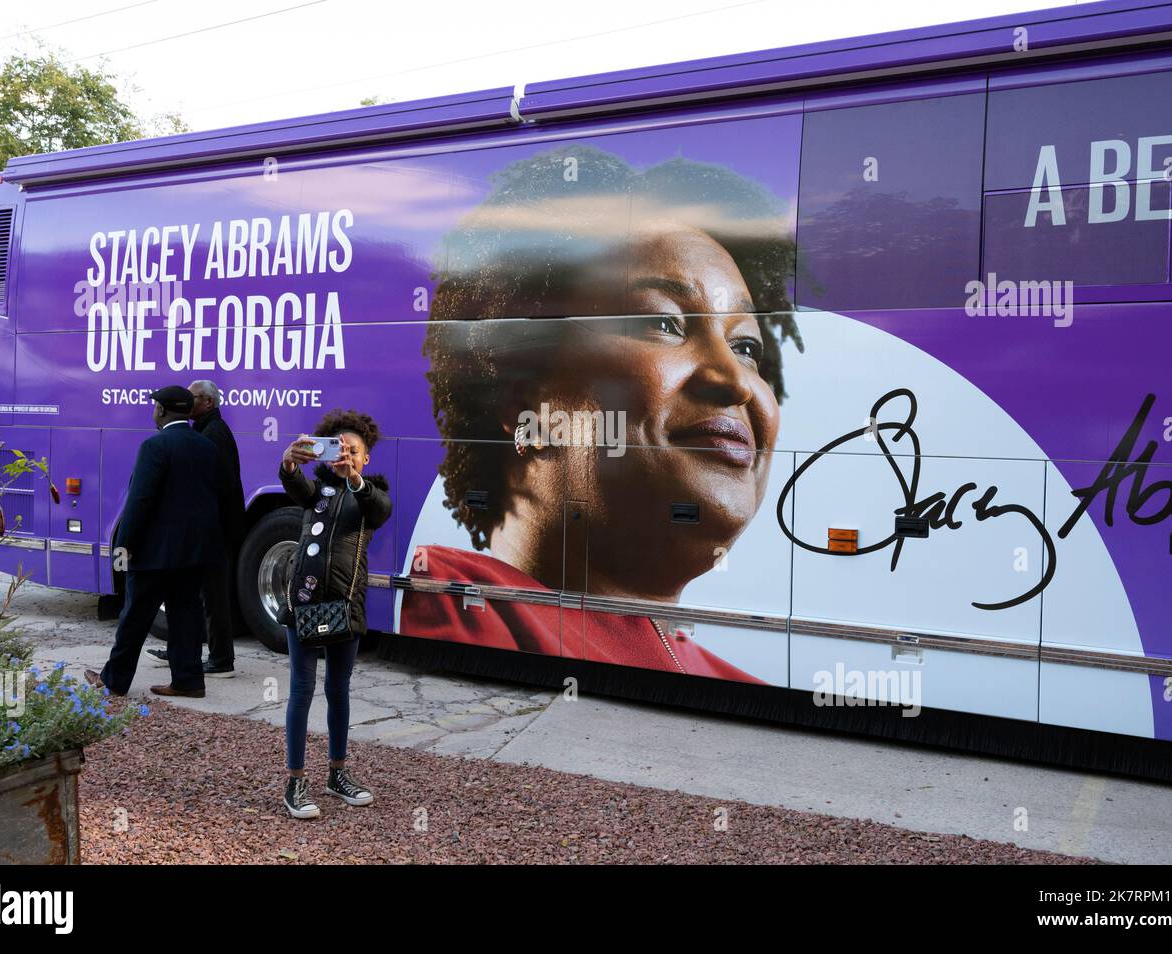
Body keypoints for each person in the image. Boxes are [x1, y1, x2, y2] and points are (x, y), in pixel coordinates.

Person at [401, 145, 804, 683]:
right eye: (665, 324)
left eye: (747, 347)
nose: (734, 380)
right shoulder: (450, 603)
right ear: (524, 402)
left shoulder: (733, 684)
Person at [277, 409, 392, 819]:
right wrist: (290, 462)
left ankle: (337, 774)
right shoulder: (318, 491)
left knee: (338, 690)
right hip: (304, 605)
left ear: (366, 459)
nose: (345, 455)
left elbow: (379, 510)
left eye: (353, 451)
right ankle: (295, 781)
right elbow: (295, 485)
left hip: (345, 607)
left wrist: (356, 480)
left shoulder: (370, 496)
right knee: (301, 690)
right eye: (338, 449)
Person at [87, 386, 223, 699]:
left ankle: (113, 681)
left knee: (134, 617)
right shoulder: (206, 447)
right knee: (186, 617)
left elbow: (140, 501)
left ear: (161, 411)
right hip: (193, 553)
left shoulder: (154, 446)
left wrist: (124, 545)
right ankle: (189, 680)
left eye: (154, 407)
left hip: (153, 554)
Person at [147, 379, 244, 676]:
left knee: (214, 597)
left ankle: (220, 660)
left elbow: (220, 486)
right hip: (210, 527)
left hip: (214, 529)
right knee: (197, 594)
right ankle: (184, 649)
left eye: (194, 398)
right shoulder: (205, 429)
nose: (188, 403)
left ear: (209, 403)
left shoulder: (214, 434)